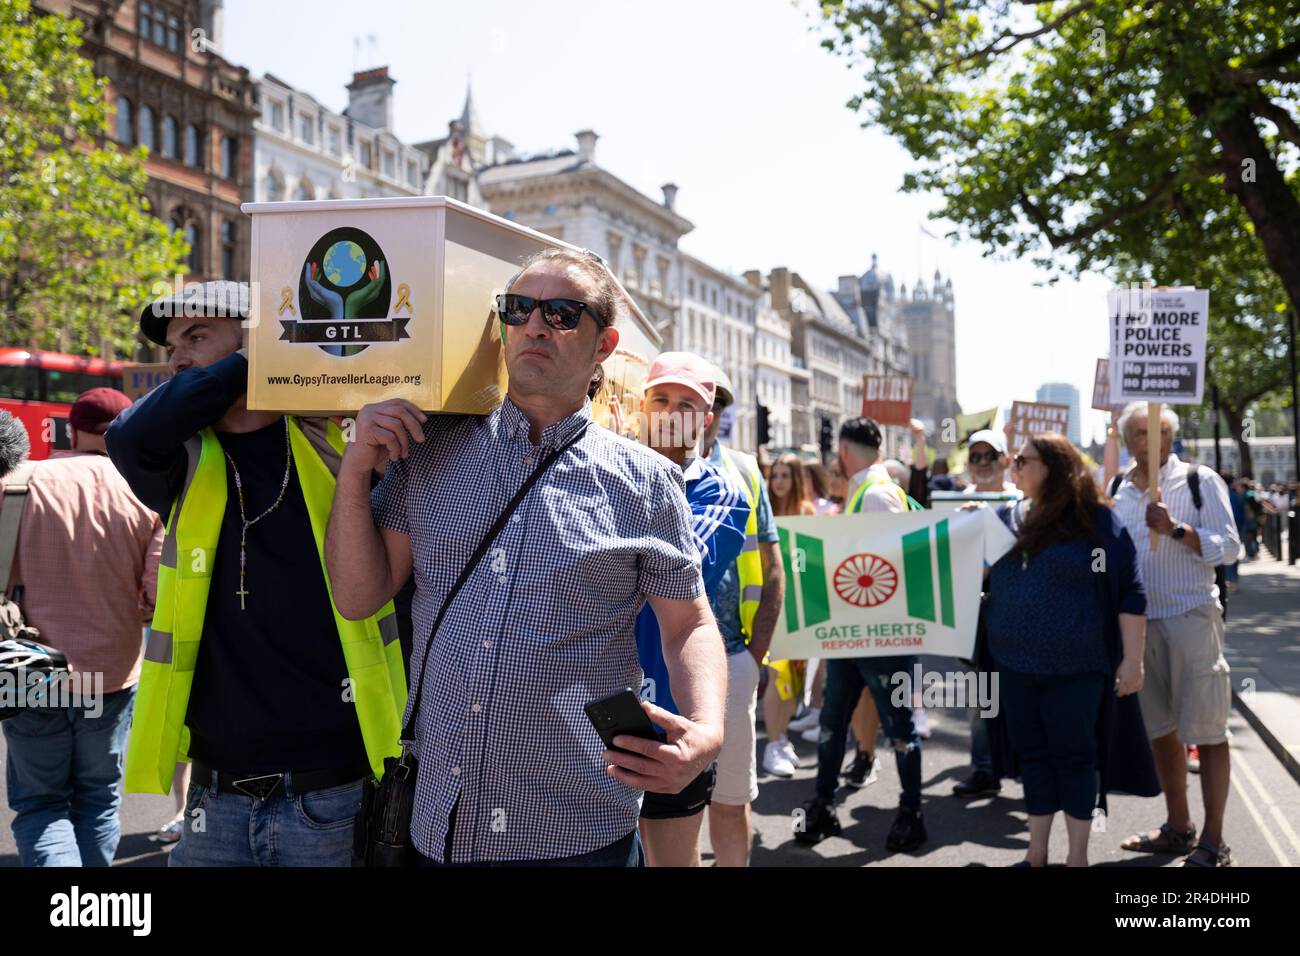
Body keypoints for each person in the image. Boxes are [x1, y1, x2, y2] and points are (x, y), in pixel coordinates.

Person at [326, 248, 725, 866]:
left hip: (578, 826)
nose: (536, 325)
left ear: (604, 344)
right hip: (440, 821)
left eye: (563, 313)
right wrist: (355, 471)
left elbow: (689, 622)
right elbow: (358, 596)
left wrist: (707, 729)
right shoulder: (430, 454)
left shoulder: (646, 481)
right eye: (518, 310)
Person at [105, 280, 407, 867]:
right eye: (171, 347)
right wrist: (256, 356)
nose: (179, 358)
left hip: (333, 792)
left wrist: (279, 350)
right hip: (213, 799)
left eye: (197, 336)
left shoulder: (342, 446)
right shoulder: (183, 459)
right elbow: (129, 434)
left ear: (255, 336)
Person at [2, 389, 163, 866]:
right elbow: (155, 594)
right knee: (97, 797)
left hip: (28, 674)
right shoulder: (144, 489)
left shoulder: (16, 480)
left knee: (40, 802)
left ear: (71, 429)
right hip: (108, 674)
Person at [986, 433, 1148, 866]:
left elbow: (1130, 590)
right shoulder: (1005, 517)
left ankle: (1077, 857)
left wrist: (1133, 660)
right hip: (1015, 664)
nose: (1014, 466)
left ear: (1054, 467)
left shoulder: (1093, 520)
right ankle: (1036, 853)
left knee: (1075, 756)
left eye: (1023, 460)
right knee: (1033, 756)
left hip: (1076, 666)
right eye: (1014, 460)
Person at [1110, 402, 1241, 867]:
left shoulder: (1198, 481)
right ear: (1126, 440)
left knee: (1207, 730)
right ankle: (1179, 827)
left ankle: (1214, 840)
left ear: (1169, 438)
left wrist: (1176, 529)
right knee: (1161, 731)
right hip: (1141, 626)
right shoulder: (1117, 489)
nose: (1145, 442)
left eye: (1154, 433)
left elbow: (1230, 547)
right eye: (1137, 434)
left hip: (1191, 616)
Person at [632, 353, 749, 866]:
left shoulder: (723, 492)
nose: (670, 412)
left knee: (672, 860)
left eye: (687, 404)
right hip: (586, 704)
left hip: (669, 717)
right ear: (641, 407)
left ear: (706, 420)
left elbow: (669, 578)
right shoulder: (599, 468)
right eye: (660, 399)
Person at [798, 416, 927, 853]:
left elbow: (891, 563)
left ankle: (910, 813)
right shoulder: (868, 491)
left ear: (845, 451)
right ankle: (823, 805)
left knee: (895, 727)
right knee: (837, 722)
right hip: (856, 631)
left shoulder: (876, 495)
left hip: (877, 635)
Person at [697, 366, 785, 865]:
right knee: (655, 811)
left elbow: (774, 570)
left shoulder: (745, 470)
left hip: (731, 658)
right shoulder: (641, 460)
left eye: (711, 406)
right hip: (651, 664)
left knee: (729, 805)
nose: (701, 416)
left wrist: (756, 656)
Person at [952, 428, 1023, 799]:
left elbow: (1020, 552)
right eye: (975, 457)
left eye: (989, 456)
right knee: (981, 693)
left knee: (1018, 688)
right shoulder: (955, 502)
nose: (982, 464)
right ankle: (984, 767)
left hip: (1012, 607)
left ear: (1005, 461)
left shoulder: (1020, 502)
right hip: (971, 609)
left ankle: (1025, 764)